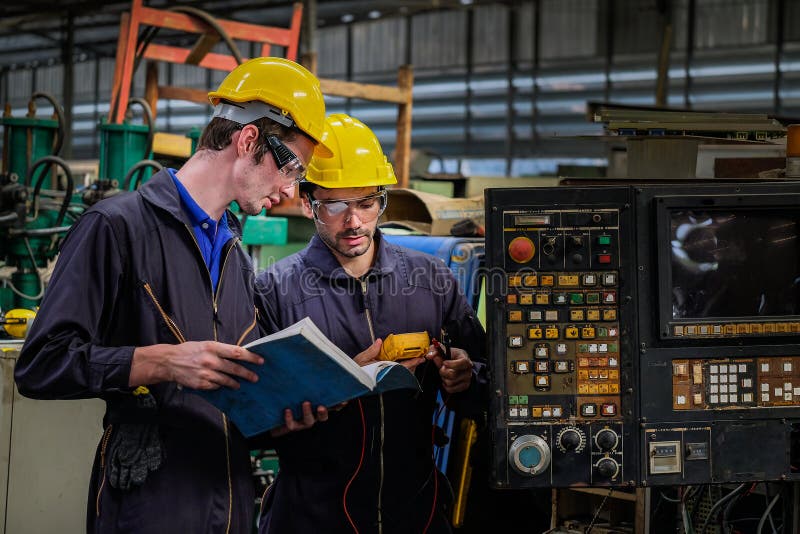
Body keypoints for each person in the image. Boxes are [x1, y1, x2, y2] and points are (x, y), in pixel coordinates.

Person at [14, 57, 332, 533]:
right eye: (293, 168)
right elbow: (40, 363)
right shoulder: (117, 227)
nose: (290, 191)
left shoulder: (235, 255)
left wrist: (283, 417)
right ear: (248, 141)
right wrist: (158, 362)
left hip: (230, 506)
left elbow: (237, 388)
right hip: (151, 507)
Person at [254, 114, 486, 533]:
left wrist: (466, 380)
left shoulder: (431, 279)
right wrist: (335, 388)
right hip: (312, 516)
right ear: (308, 203)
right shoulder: (274, 290)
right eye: (336, 206)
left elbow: (496, 385)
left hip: (415, 511)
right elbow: (251, 419)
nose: (354, 222)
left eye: (366, 203)